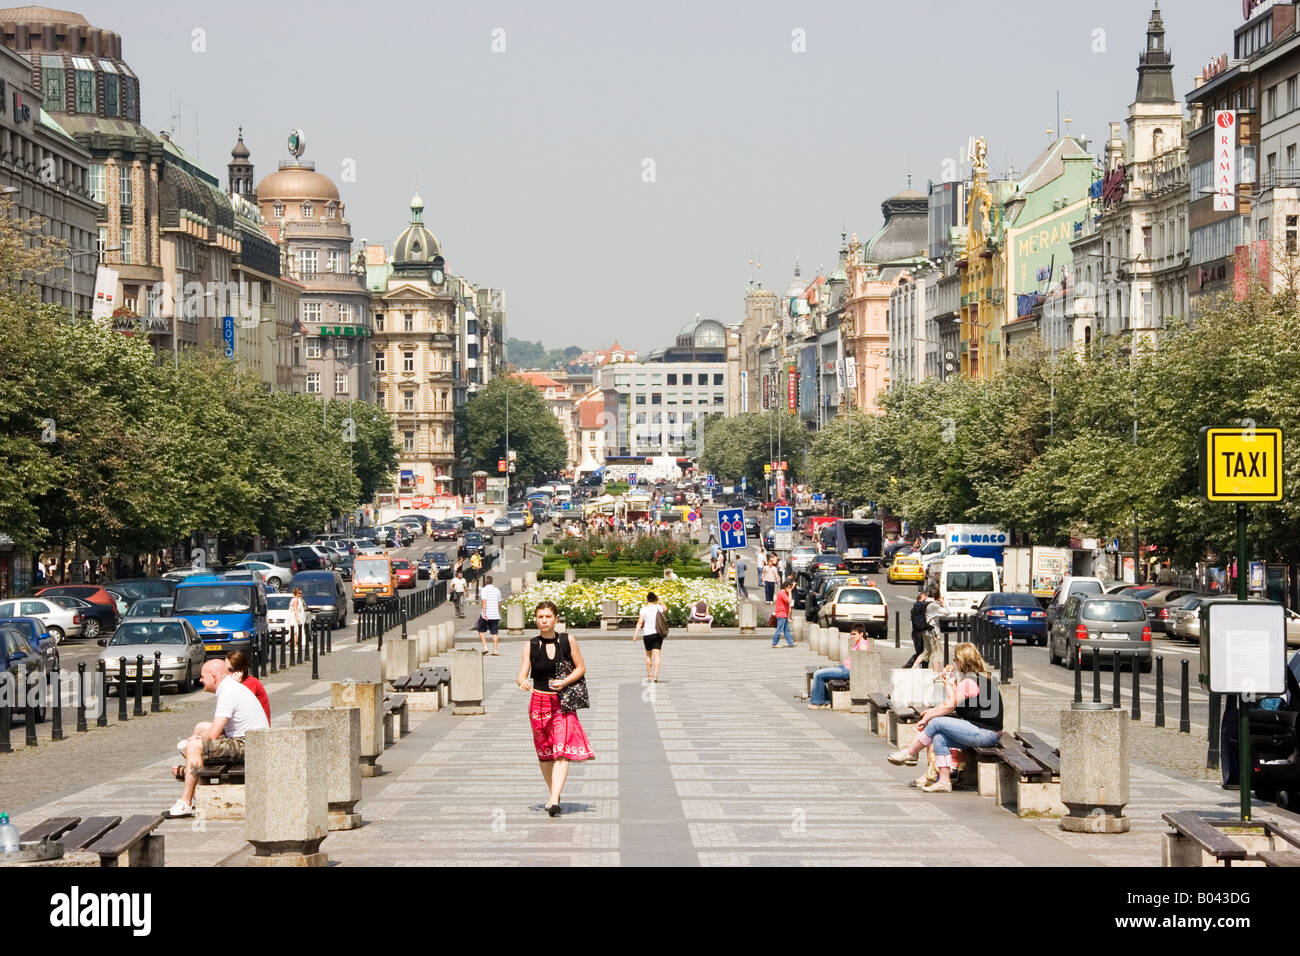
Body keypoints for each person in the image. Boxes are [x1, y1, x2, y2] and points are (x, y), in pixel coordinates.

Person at [887, 642, 1003, 793]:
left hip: (986, 733)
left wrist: (927, 717)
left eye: (955, 659)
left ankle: (910, 753)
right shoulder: (979, 678)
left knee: (936, 722)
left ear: (962, 660)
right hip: (984, 731)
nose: (954, 662)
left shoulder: (970, 681)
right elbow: (958, 705)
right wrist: (948, 683)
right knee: (939, 738)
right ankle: (943, 781)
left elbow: (949, 706)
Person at [516, 600, 593, 816]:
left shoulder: (567, 641)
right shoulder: (530, 645)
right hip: (538, 704)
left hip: (562, 704)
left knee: (561, 753)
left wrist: (565, 681)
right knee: (545, 754)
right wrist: (521, 680)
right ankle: (554, 795)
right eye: (540, 617)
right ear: (536, 619)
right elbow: (522, 672)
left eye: (548, 616)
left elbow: (581, 668)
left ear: (556, 619)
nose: (544, 620)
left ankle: (553, 799)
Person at [167, 659, 269, 817]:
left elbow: (214, 734)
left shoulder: (227, 692)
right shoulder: (230, 687)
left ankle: (186, 801)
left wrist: (192, 742)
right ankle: (198, 793)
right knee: (200, 728)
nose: (200, 680)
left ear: (213, 676)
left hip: (249, 743)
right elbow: (216, 729)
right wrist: (198, 735)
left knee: (195, 747)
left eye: (202, 676)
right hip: (254, 739)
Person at [809, 624, 870, 709]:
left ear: (861, 634)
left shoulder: (862, 644)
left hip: (846, 671)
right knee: (820, 674)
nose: (852, 636)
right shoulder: (858, 643)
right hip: (843, 668)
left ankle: (818, 702)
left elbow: (861, 659)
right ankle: (826, 702)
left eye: (854, 634)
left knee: (818, 674)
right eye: (851, 634)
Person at [632, 591, 667, 682]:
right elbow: (665, 609)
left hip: (647, 634)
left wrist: (635, 634)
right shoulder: (658, 607)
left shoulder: (643, 609)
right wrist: (661, 601)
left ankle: (649, 675)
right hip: (657, 633)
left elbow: (640, 622)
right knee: (657, 655)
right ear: (655, 599)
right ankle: (655, 676)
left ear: (647, 599)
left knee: (648, 655)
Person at [226, 649, 270, 723]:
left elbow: (242, 706)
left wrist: (235, 686)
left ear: (240, 670)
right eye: (225, 669)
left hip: (257, 727)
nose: (226, 673)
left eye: (230, 669)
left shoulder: (251, 683)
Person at [478, 575, 502, 655]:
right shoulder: (497, 590)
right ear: (492, 582)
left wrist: (484, 613)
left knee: (481, 630)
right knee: (495, 632)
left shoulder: (484, 590)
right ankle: (495, 650)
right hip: (495, 614)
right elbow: (499, 603)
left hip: (487, 614)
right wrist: (498, 612)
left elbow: (484, 601)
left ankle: (485, 647)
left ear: (485, 582)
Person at [905, 591, 929, 668]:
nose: (926, 597)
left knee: (921, 652)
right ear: (922, 597)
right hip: (921, 632)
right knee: (923, 652)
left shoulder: (915, 607)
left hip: (915, 632)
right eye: (925, 596)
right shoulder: (922, 605)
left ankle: (912, 665)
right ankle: (910, 665)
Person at [771, 577, 794, 647]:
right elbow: (789, 601)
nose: (790, 589)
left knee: (786, 629)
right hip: (781, 614)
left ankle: (790, 643)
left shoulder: (784, 593)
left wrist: (789, 592)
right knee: (779, 629)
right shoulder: (781, 593)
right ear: (786, 586)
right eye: (789, 587)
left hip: (784, 614)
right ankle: (774, 643)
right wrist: (790, 592)